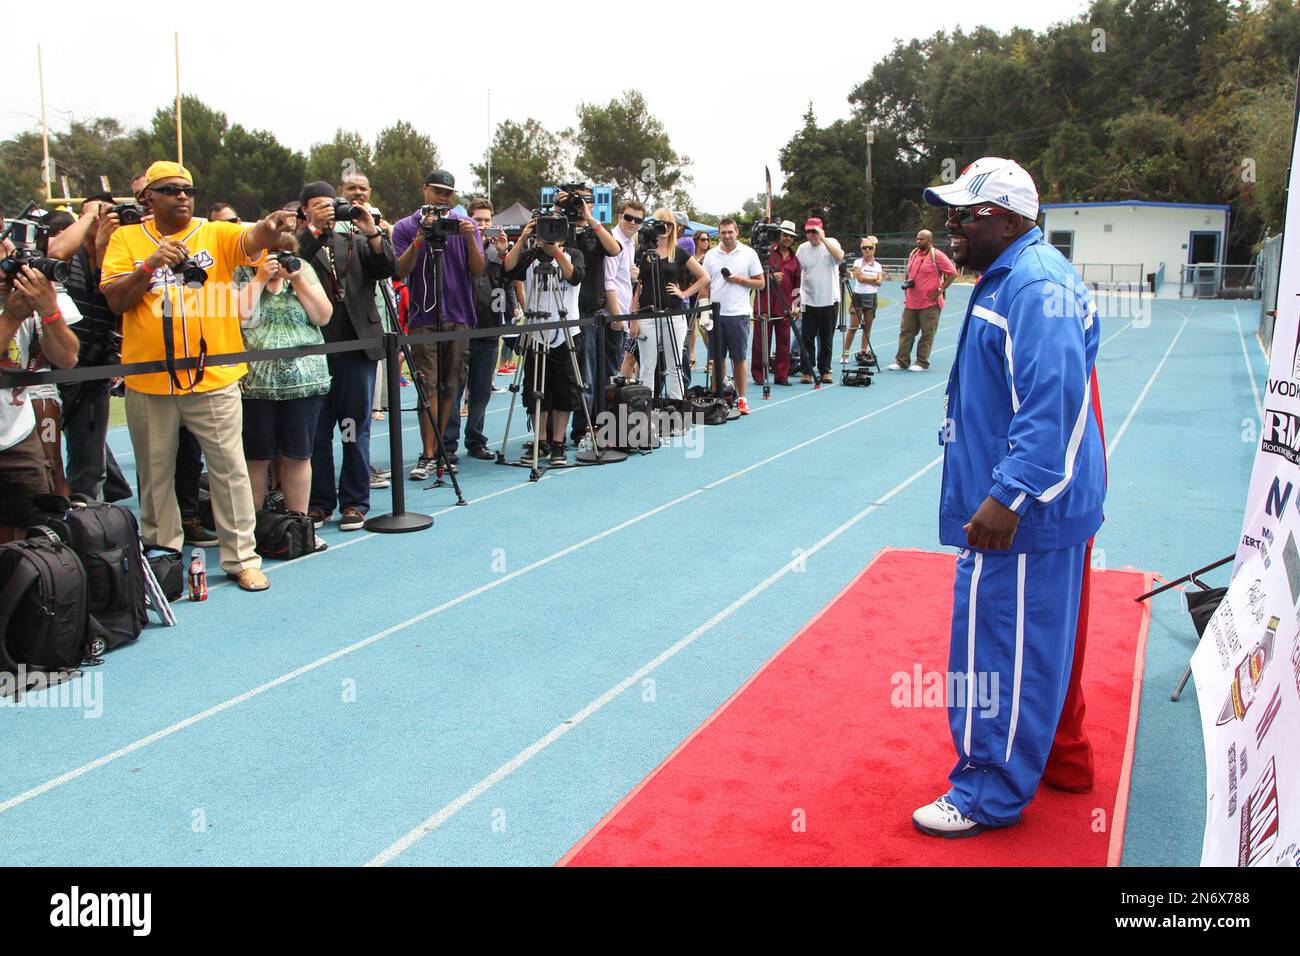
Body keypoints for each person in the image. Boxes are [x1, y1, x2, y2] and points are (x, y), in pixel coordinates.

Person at [909, 157, 1106, 838]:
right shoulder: (1015, 276)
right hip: (1012, 511)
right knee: (1004, 644)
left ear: (1012, 219)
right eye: (953, 215)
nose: (953, 227)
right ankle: (1010, 765)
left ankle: (987, 793)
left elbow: (1052, 404)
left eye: (969, 215)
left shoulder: (1033, 282)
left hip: (1022, 516)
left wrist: (1011, 495)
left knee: (1003, 650)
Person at [100, 160, 299, 593]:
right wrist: (148, 265)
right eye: (170, 190)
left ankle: (242, 557)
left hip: (214, 375)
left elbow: (253, 238)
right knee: (155, 475)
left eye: (187, 189)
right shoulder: (126, 238)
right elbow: (116, 300)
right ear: (146, 199)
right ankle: (163, 555)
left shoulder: (214, 232)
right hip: (150, 381)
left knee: (230, 470)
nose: (182, 196)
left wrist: (271, 224)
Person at [296, 181, 394, 532]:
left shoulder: (353, 239)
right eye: (318, 206)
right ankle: (320, 502)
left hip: (356, 346)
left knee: (355, 429)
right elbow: (293, 260)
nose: (328, 212)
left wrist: (372, 233)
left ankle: (355, 500)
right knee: (317, 432)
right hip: (315, 348)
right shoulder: (297, 241)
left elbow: (386, 268)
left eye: (331, 205)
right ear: (305, 209)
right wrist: (311, 230)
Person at [234, 231, 333, 531]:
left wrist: (298, 280)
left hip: (304, 381)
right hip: (255, 384)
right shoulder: (239, 271)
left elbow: (323, 316)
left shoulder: (302, 270)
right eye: (270, 251)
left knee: (298, 455)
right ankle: (253, 531)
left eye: (283, 252)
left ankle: (297, 526)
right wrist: (260, 279)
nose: (278, 258)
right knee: (255, 458)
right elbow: (237, 316)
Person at [393, 169, 484, 479]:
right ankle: (427, 453)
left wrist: (470, 238)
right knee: (427, 386)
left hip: (458, 314)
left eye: (448, 193)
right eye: (437, 191)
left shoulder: (465, 226)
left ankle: (443, 449)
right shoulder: (406, 226)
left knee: (450, 385)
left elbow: (478, 270)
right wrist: (419, 238)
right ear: (425, 190)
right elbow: (398, 269)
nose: (443, 197)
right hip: (423, 317)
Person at [51, 194, 133, 502]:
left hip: (97, 364)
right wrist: (85, 218)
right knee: (43, 453)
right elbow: (56, 251)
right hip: (54, 365)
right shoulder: (67, 253)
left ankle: (88, 520)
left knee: (90, 459)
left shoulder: (116, 256)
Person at [503, 216, 584, 465]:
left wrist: (557, 253)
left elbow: (575, 277)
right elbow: (508, 269)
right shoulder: (530, 255)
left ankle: (558, 443)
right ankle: (540, 441)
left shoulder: (573, 253)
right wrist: (525, 237)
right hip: (536, 331)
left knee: (565, 391)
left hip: (566, 332)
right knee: (536, 390)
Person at [0, 268, 68, 541]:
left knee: (30, 529)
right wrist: (11, 318)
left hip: (17, 433)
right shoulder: (14, 309)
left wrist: (49, 309)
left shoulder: (19, 296)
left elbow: (67, 358)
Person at [557, 185, 623, 446]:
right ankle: (555, 431)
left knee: (588, 376)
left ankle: (584, 427)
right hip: (561, 313)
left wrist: (591, 218)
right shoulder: (561, 226)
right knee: (561, 374)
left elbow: (615, 249)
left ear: (593, 204)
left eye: (585, 201)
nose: (579, 205)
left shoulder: (596, 231)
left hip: (590, 314)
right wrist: (557, 210)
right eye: (576, 201)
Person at [631, 208, 709, 405]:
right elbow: (637, 287)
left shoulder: (679, 252)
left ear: (674, 228)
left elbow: (704, 277)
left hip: (674, 314)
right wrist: (633, 318)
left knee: (675, 366)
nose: (664, 228)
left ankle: (677, 410)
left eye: (669, 224)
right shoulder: (642, 252)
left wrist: (684, 293)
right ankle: (645, 411)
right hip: (646, 314)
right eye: (660, 223)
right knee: (648, 366)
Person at [701, 218, 764, 414]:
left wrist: (738, 280)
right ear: (718, 234)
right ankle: (718, 396)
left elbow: (760, 283)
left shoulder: (748, 253)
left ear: (737, 231)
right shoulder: (711, 255)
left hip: (738, 314)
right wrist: (704, 312)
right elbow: (705, 285)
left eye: (730, 232)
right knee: (716, 359)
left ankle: (742, 399)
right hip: (716, 314)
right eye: (723, 232)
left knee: (738, 358)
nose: (727, 236)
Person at [891, 228, 956, 372]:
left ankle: (921, 362)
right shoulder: (913, 254)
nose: (918, 241)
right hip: (911, 302)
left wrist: (940, 289)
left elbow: (952, 273)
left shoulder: (937, 255)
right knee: (906, 332)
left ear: (929, 241)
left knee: (927, 334)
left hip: (930, 304)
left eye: (922, 239)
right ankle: (902, 361)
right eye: (917, 238)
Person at [795, 217, 844, 385]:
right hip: (809, 300)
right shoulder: (802, 249)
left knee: (826, 339)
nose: (811, 235)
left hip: (829, 299)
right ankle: (807, 370)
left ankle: (825, 370)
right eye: (808, 231)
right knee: (806, 338)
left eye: (814, 231)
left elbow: (839, 257)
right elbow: (796, 272)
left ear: (821, 231)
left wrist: (823, 239)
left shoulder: (831, 243)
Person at [752, 220, 800, 387]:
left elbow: (797, 286)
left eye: (790, 236)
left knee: (784, 343)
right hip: (764, 303)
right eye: (784, 235)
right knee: (761, 341)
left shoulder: (795, 260)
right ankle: (759, 375)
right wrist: (770, 277)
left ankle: (782, 375)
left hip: (785, 306)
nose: (787, 238)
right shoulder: (766, 253)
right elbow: (754, 276)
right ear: (779, 235)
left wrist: (796, 306)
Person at [844, 235, 882, 363]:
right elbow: (859, 278)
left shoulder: (877, 265)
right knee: (853, 327)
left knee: (867, 328)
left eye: (870, 248)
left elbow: (880, 282)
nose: (867, 250)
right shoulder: (857, 262)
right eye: (865, 248)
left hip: (871, 297)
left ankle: (863, 351)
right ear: (861, 249)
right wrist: (873, 279)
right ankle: (845, 354)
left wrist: (868, 278)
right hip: (858, 296)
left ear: (874, 250)